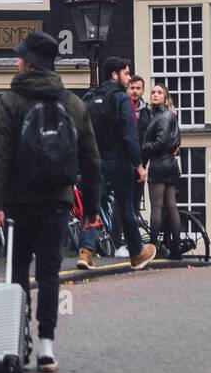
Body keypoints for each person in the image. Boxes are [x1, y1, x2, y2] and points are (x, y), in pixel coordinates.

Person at [0, 31, 101, 373]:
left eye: (20, 57)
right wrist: (91, 210)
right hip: (57, 201)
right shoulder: (73, 103)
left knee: (17, 269)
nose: (16, 61)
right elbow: (91, 160)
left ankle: (20, 338)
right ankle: (46, 347)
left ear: (29, 63)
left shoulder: (11, 101)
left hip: (18, 203)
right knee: (50, 273)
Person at [76, 56, 156, 274]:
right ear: (115, 74)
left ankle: (85, 251)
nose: (129, 78)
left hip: (94, 161)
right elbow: (130, 135)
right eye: (127, 74)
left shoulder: (90, 96)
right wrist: (139, 165)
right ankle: (137, 253)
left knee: (92, 206)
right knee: (127, 207)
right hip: (117, 161)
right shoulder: (121, 98)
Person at [142, 83, 183, 260]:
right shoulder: (164, 115)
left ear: (166, 98)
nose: (155, 95)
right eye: (153, 92)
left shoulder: (164, 117)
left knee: (157, 207)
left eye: (159, 93)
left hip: (160, 164)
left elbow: (161, 142)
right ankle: (176, 247)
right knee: (171, 206)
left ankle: (153, 247)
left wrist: (144, 146)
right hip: (170, 165)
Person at [129, 76, 151, 225]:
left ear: (143, 91)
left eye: (138, 88)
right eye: (132, 88)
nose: (135, 92)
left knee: (136, 202)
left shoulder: (148, 113)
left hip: (141, 164)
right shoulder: (122, 109)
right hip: (124, 162)